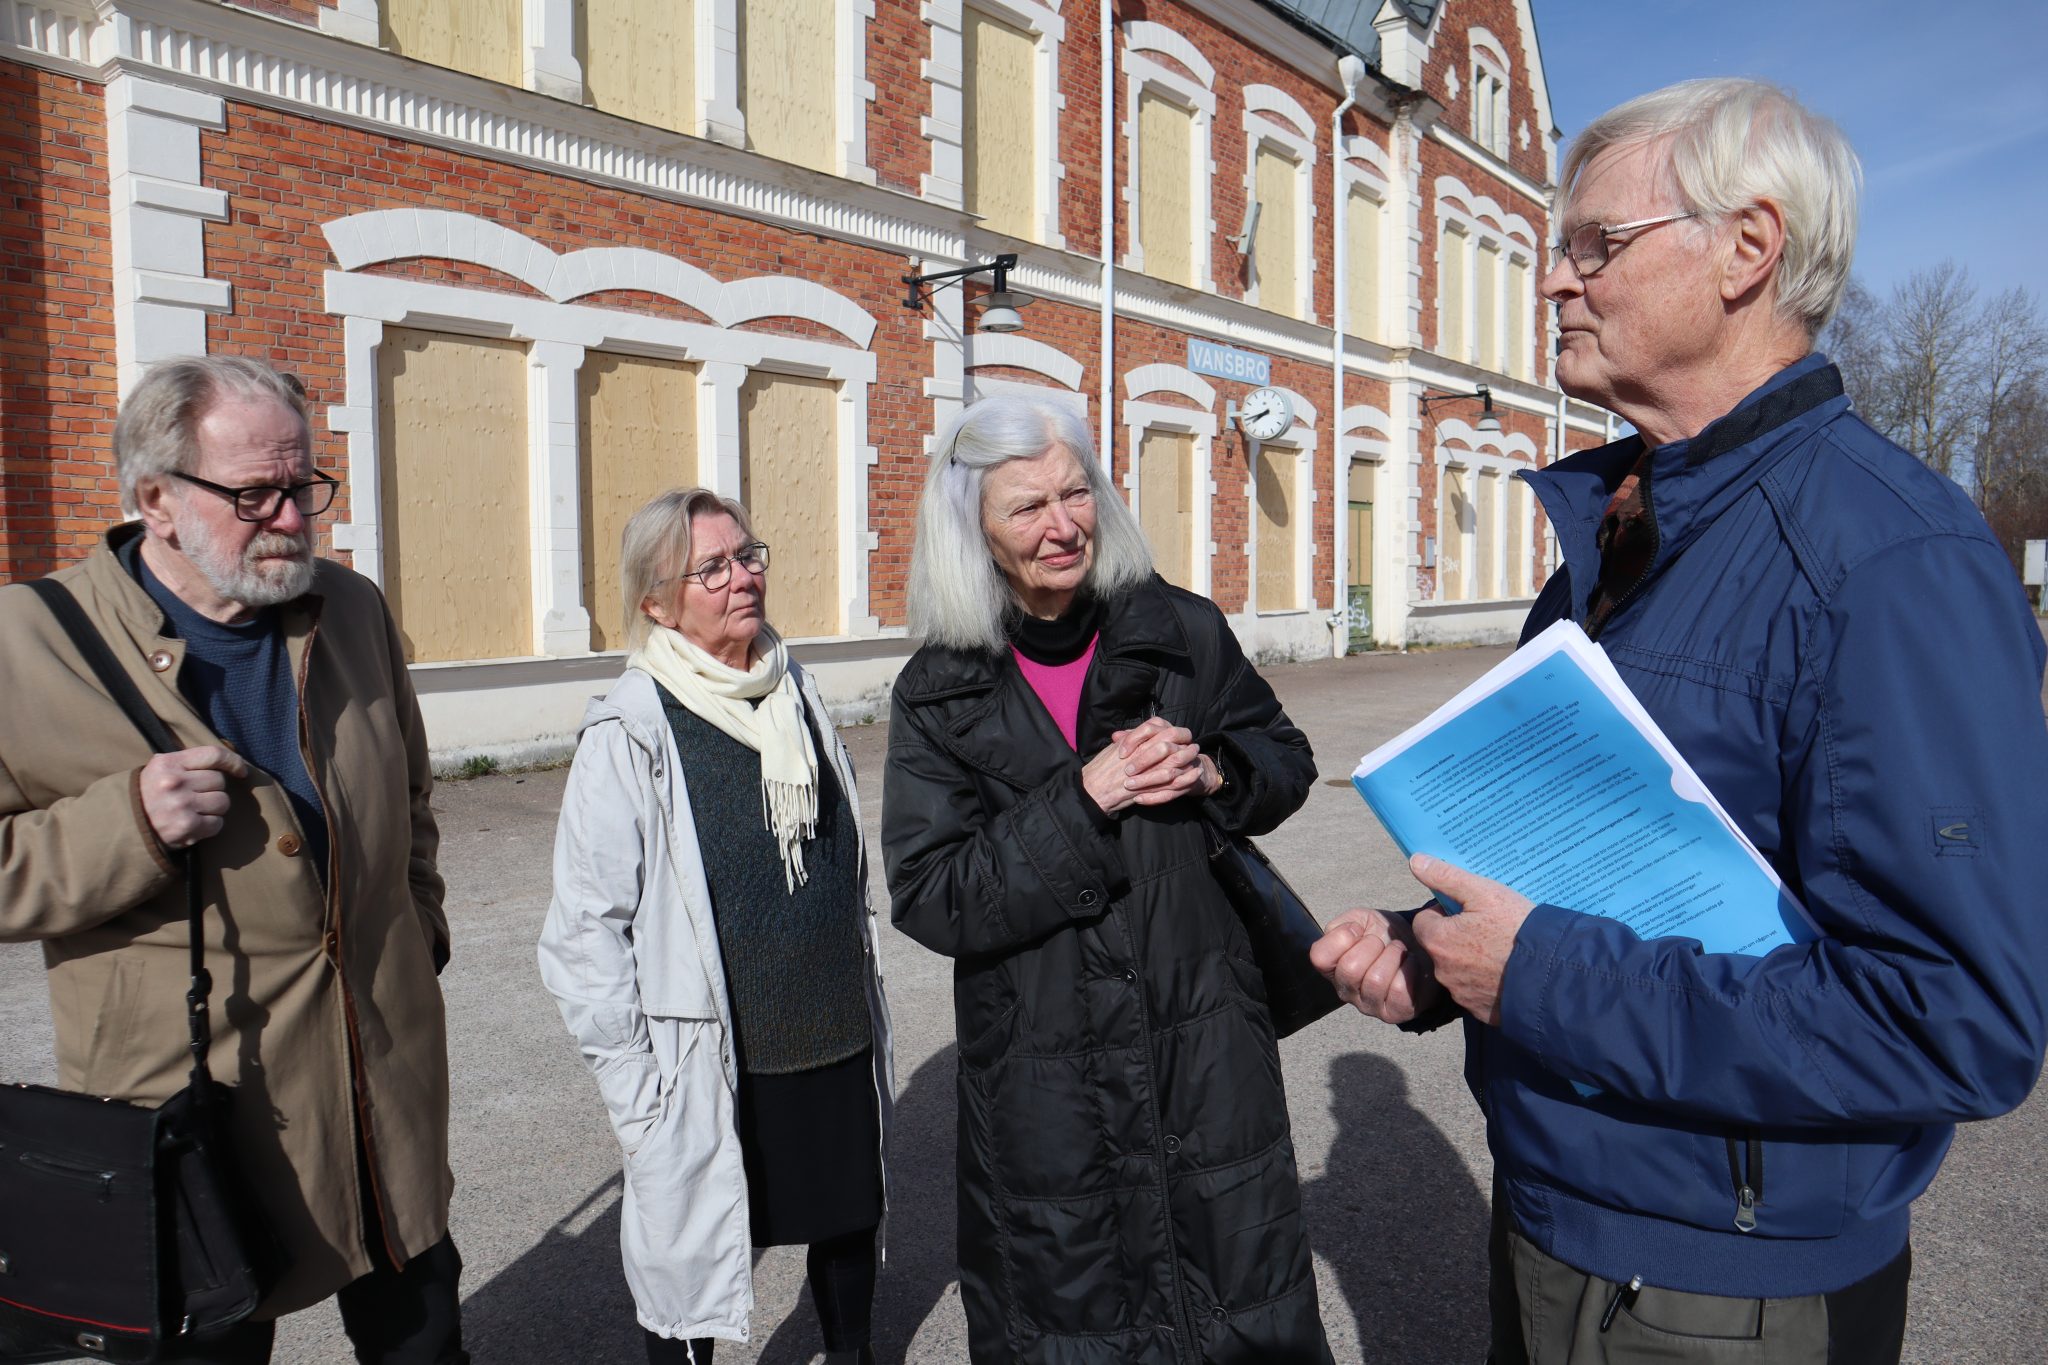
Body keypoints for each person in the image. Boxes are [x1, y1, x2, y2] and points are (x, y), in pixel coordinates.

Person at [1311, 78, 2048, 1364]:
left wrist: (1537, 975)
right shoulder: (1618, 530)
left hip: (1725, 1291)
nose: (1552, 280)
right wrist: (1448, 948)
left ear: (1745, 251)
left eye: (1594, 244)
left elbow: (1958, 1021)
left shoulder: (1888, 561)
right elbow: (1596, 868)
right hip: (1557, 1217)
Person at [0, 355, 466, 1363]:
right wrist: (120, 824)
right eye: (255, 494)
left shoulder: (349, 610)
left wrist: (416, 926)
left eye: (303, 487)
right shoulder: (27, 646)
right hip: (194, 1116)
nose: (293, 518)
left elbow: (414, 793)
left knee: (425, 1343)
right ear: (156, 500)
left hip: (374, 1086)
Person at [882, 394, 1334, 1364]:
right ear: (973, 532)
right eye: (1026, 508)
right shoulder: (937, 690)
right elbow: (929, 892)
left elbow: (1281, 756)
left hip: (1204, 1043)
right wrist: (1078, 803)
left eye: (1074, 493)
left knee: (1237, 1302)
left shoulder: (1179, 628)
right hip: (1046, 1080)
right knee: (1075, 1318)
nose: (1062, 525)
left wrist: (1217, 772)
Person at [538, 488, 894, 1365]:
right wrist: (639, 1096)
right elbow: (583, 932)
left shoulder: (794, 688)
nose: (744, 577)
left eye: (749, 555)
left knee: (848, 1217)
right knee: (690, 1255)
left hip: (831, 1029)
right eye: (715, 566)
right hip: (715, 1051)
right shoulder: (631, 730)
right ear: (657, 602)